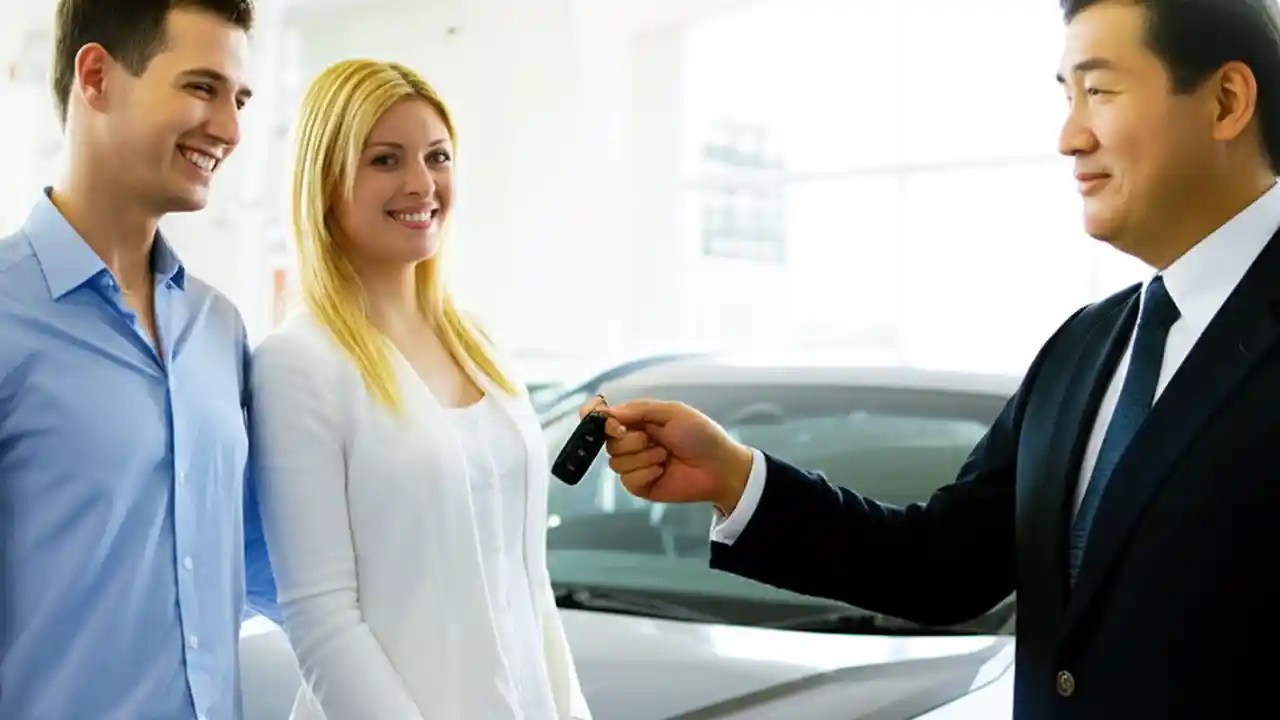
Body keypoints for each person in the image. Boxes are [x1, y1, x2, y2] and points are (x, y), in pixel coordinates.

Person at [592, 1, 1280, 717]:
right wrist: (735, 477)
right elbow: (941, 565)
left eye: (1100, 91)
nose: (1069, 137)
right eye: (1066, 96)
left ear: (1226, 101)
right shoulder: (1088, 345)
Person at [248, 58, 592, 720]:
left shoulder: (478, 344)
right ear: (326, 183)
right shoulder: (297, 365)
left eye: (437, 157)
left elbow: (527, 585)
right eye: (385, 160)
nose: (421, 183)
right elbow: (323, 623)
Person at [0, 1, 276, 719]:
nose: (231, 128)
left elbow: (275, 572)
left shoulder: (219, 331)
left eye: (240, 98)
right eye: (200, 87)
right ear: (96, 77)